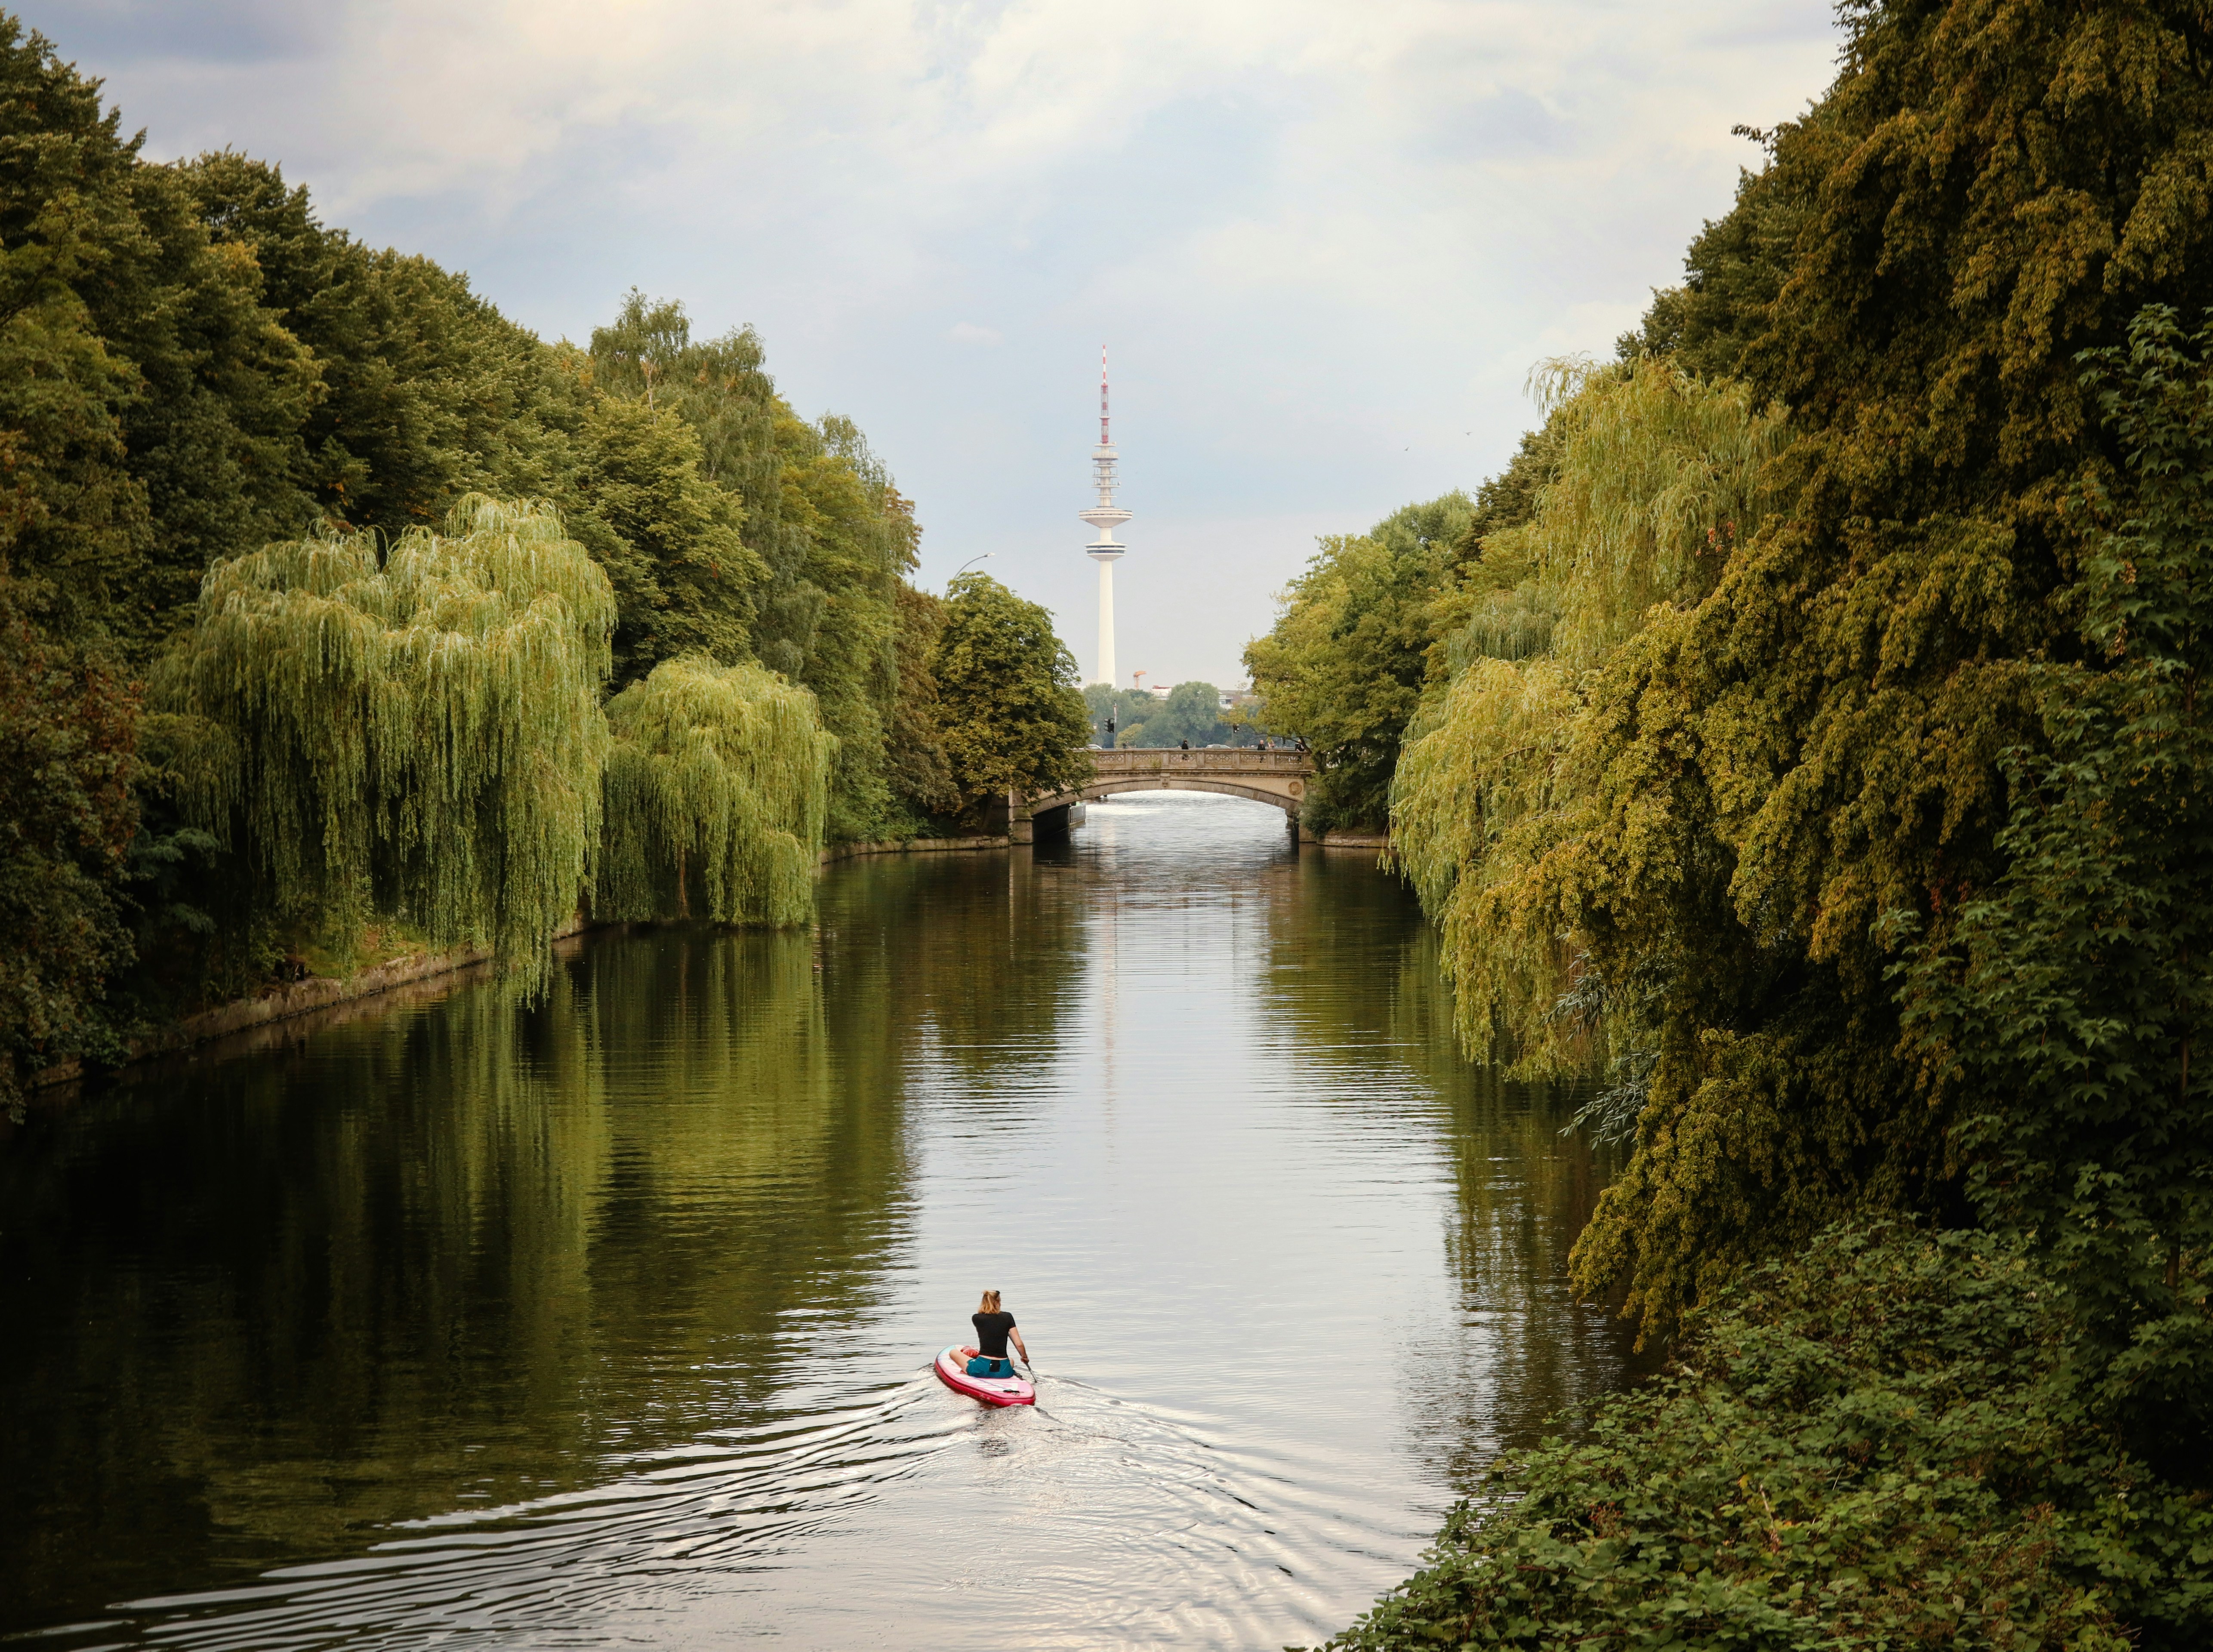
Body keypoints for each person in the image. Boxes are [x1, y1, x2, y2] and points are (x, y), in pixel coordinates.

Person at [968, 1289, 1029, 1378]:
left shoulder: (976, 1318)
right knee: (1011, 1361)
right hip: (1003, 1369)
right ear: (998, 1302)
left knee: (953, 1353)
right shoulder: (1008, 1317)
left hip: (982, 1367)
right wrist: (1025, 1357)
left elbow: (989, 1326)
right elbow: (1019, 1344)